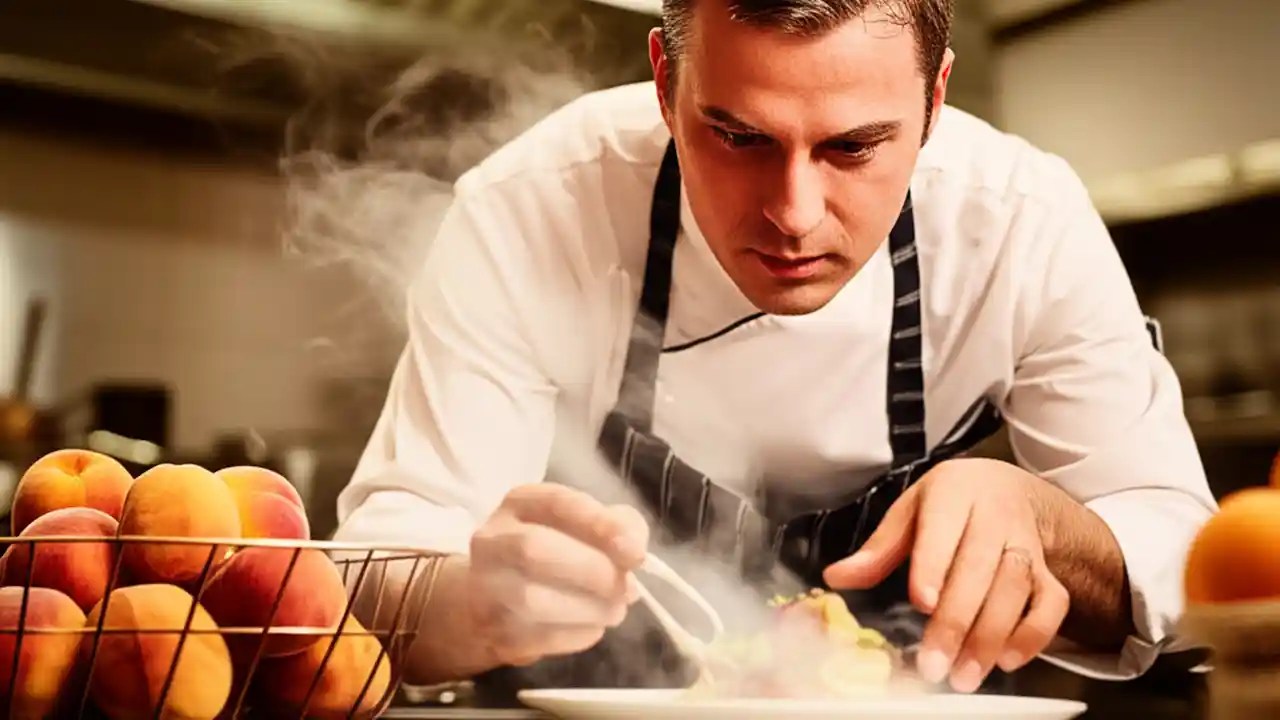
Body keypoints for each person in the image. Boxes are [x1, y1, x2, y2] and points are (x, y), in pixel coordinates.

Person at [332, 0, 1217, 701]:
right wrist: (471, 604)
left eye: (854, 147)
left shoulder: (1023, 224)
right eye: (738, 136)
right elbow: (378, 573)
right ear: (663, 80)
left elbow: (1198, 568)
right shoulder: (532, 208)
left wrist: (1049, 525)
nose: (792, 214)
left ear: (936, 100)